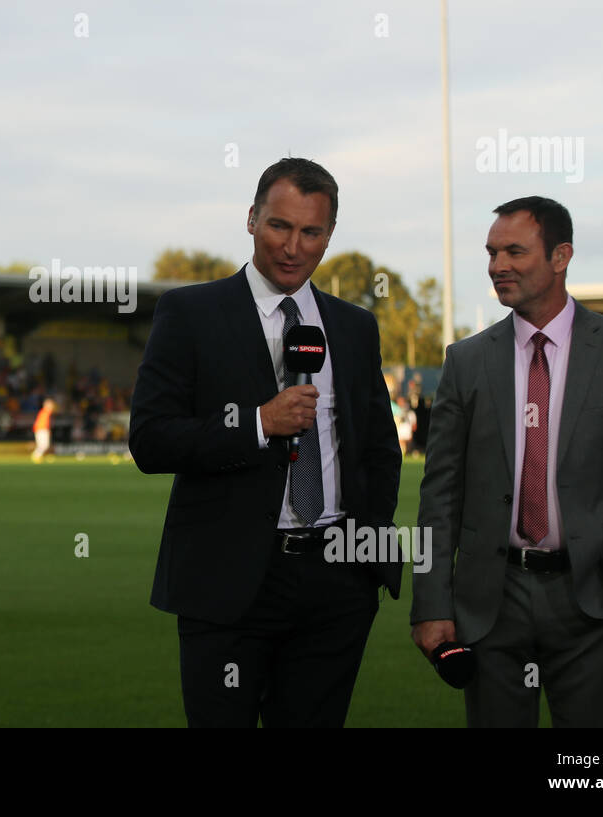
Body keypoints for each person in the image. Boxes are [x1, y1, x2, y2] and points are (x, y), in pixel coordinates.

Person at [129, 157, 401, 727]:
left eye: (311, 232)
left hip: (336, 582)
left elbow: (378, 447)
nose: (293, 246)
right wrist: (256, 423)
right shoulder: (189, 313)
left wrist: (363, 553)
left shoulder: (354, 326)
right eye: (280, 225)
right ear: (251, 218)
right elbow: (151, 440)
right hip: (228, 585)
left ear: (329, 236)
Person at [411, 196, 603, 727]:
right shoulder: (465, 362)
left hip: (592, 599)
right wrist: (431, 603)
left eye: (515, 251)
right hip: (490, 603)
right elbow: (438, 494)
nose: (497, 265)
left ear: (561, 256)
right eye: (491, 252)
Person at [31, 397, 55, 463]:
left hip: (41, 430)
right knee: (43, 445)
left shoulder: (45, 412)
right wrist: (47, 430)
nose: (52, 407)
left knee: (44, 445)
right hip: (41, 430)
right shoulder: (45, 412)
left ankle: (37, 456)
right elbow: (43, 423)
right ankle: (36, 456)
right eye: (51, 405)